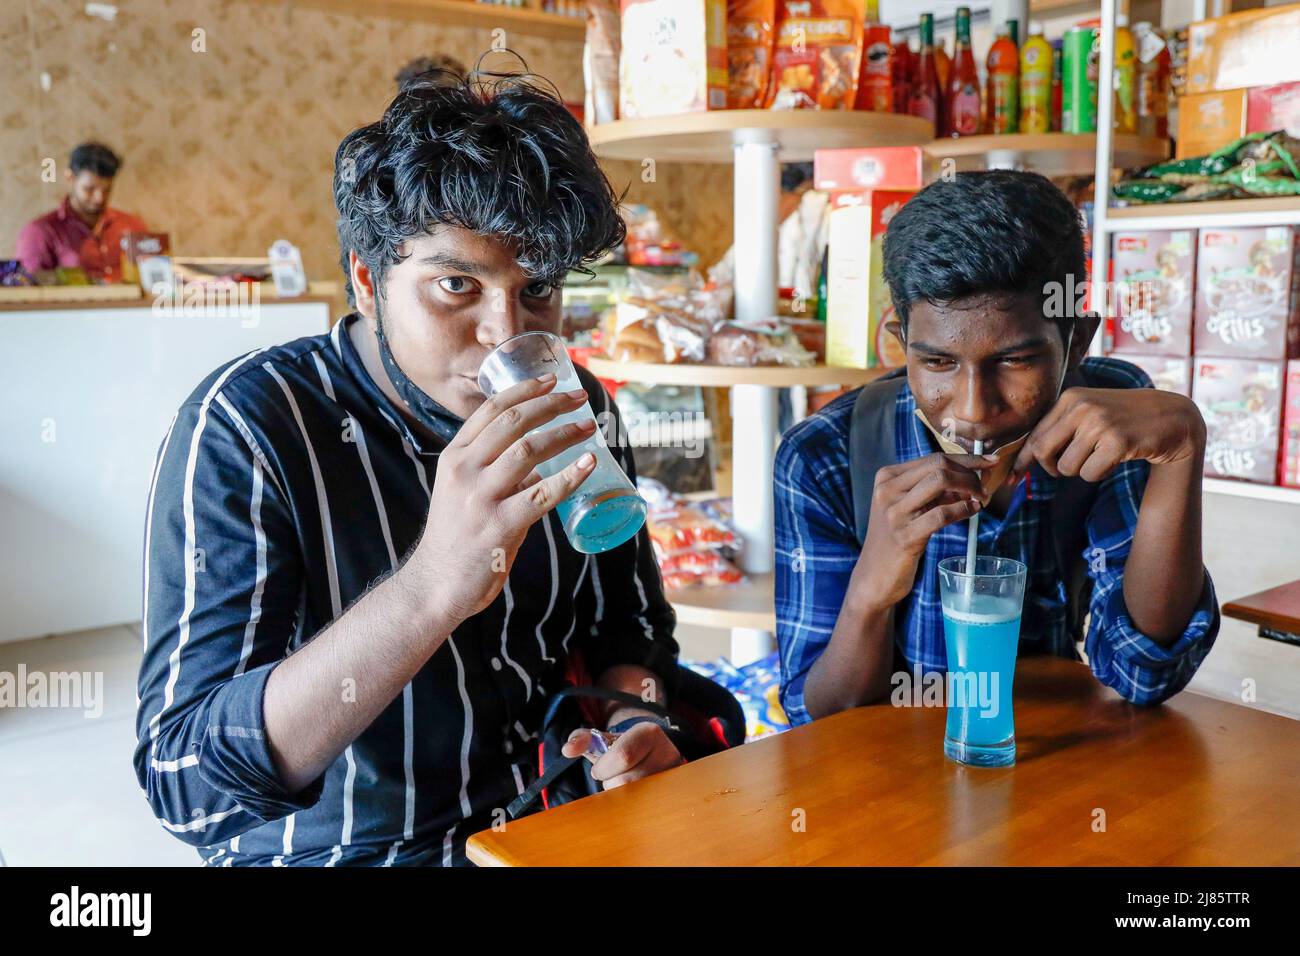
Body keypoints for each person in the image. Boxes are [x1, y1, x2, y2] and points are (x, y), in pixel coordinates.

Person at [135, 70, 687, 866]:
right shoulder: (249, 427)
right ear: (368, 280)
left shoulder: (577, 407)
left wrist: (635, 719)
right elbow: (186, 785)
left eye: (537, 290)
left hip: (549, 827)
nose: (506, 333)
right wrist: (432, 588)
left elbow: (625, 628)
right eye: (456, 285)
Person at [774, 170, 1219, 725]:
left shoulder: (1119, 423)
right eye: (937, 362)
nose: (972, 409)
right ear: (902, 343)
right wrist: (870, 593)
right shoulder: (826, 457)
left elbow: (1145, 672)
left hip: (1052, 765)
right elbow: (819, 719)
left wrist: (1182, 447)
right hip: (887, 792)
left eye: (1014, 361)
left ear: (1077, 339)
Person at [15, 142, 147, 279]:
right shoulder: (41, 232)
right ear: (70, 178)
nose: (99, 198)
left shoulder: (132, 225)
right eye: (89, 189)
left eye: (106, 190)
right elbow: (29, 291)